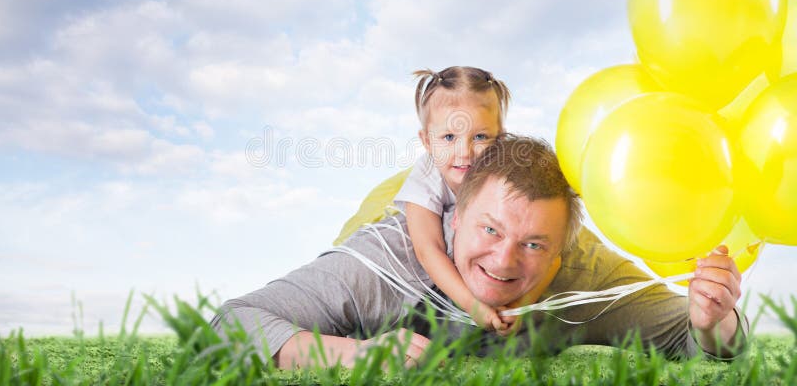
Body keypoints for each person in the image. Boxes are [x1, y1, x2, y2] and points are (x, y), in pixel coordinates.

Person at [211, 135, 747, 369]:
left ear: (562, 253)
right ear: (457, 218)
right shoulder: (385, 262)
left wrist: (713, 317)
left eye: (534, 244)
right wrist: (351, 354)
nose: (504, 261)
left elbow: (697, 337)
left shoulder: (585, 271)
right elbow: (232, 321)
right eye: (489, 231)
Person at [396, 66, 520, 333]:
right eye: (449, 137)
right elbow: (428, 250)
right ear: (427, 141)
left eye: (480, 137)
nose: (464, 152)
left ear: (501, 138)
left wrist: (521, 304)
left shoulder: (506, 169)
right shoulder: (426, 176)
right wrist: (472, 305)